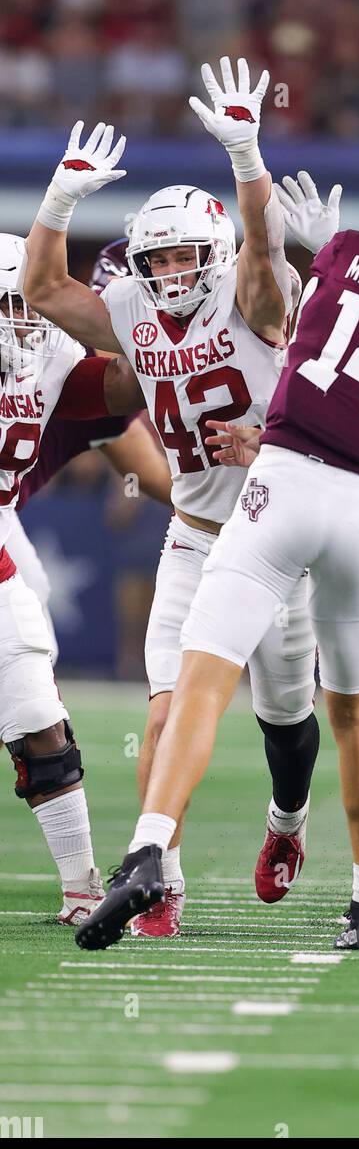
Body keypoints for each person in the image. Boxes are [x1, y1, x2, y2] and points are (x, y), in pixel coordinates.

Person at [75, 158, 359, 955]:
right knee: (355, 712)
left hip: (281, 485)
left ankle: (146, 854)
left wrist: (274, 202)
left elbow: (282, 275)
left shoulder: (346, 255)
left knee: (202, 687)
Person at [23, 59, 319, 939]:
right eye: (157, 259)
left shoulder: (255, 292)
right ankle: (164, 881)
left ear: (218, 250)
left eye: (188, 254)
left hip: (280, 534)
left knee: (289, 725)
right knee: (166, 710)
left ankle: (289, 823)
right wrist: (58, 203)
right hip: (194, 538)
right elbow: (44, 289)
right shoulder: (130, 306)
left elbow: (263, 253)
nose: (173, 271)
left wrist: (247, 155)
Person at [0, 232, 145, 922]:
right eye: (7, 309)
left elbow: (119, 386)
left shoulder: (51, 351)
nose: (22, 326)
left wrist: (173, 336)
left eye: (29, 309)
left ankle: (83, 887)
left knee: (37, 713)